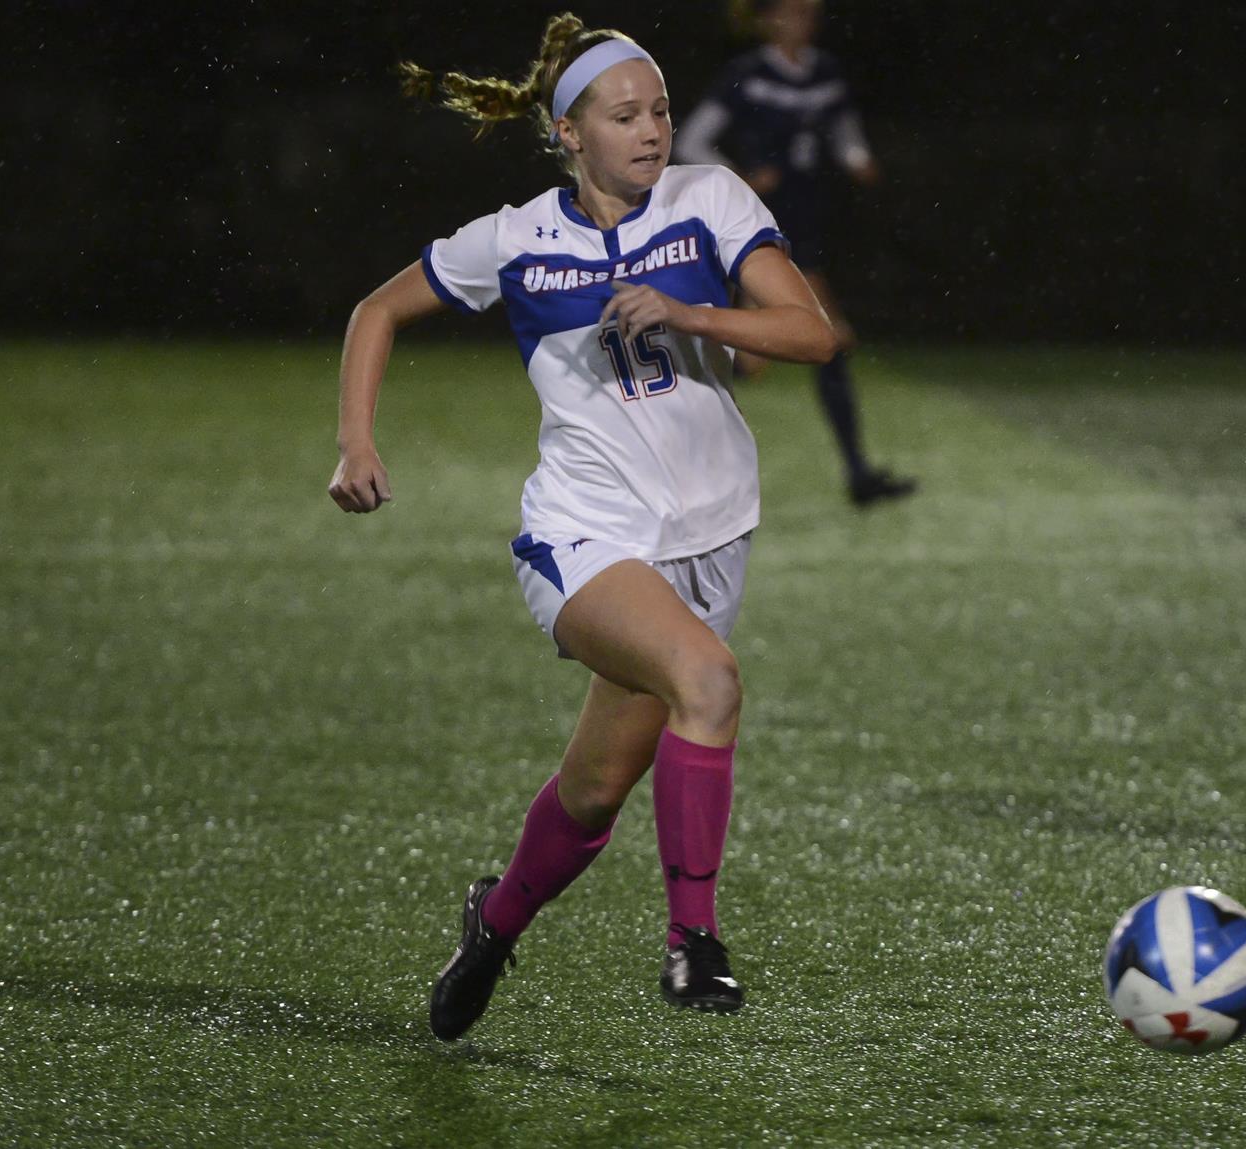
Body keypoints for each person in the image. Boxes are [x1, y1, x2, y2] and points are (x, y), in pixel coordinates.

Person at [333, 14, 838, 1039]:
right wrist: (355, 443)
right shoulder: (516, 239)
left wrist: (691, 314)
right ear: (568, 132)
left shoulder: (707, 201)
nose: (651, 130)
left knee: (597, 792)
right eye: (624, 115)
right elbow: (374, 311)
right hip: (585, 537)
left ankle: (496, 921)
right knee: (708, 682)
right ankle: (692, 944)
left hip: (708, 542)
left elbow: (810, 334)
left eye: (657, 109)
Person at [674, 0, 916, 507]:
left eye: (809, 13)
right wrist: (738, 178)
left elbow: (844, 130)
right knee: (827, 340)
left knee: (762, 357)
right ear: (767, 19)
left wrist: (857, 159)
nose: (803, 22)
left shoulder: (824, 72)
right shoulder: (746, 74)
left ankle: (856, 475)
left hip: (810, 222)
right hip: (761, 230)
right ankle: (857, 474)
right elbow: (692, 140)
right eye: (792, 12)